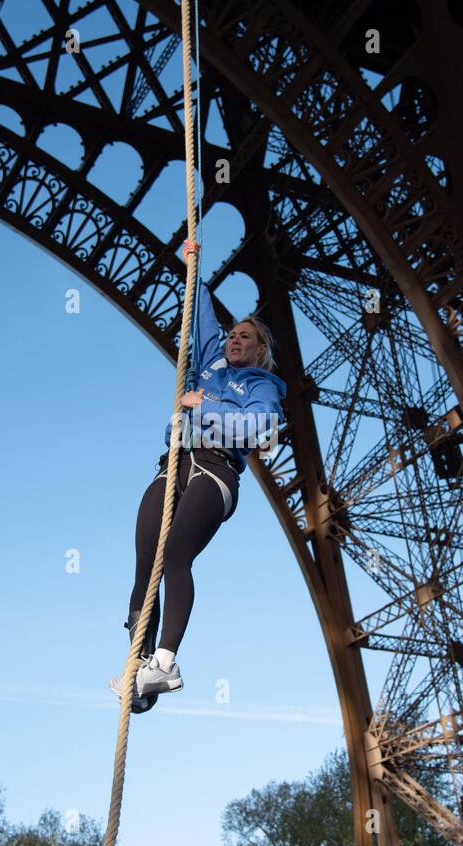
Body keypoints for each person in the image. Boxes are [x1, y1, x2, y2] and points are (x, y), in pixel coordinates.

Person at [109, 240, 287, 713]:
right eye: (234, 333)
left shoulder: (260, 387)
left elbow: (261, 431)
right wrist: (193, 263)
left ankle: (166, 661)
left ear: (261, 351)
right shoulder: (210, 356)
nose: (235, 339)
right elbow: (198, 303)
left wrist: (205, 406)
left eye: (246, 337)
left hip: (216, 469)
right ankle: (140, 666)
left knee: (175, 557)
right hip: (174, 463)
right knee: (144, 565)